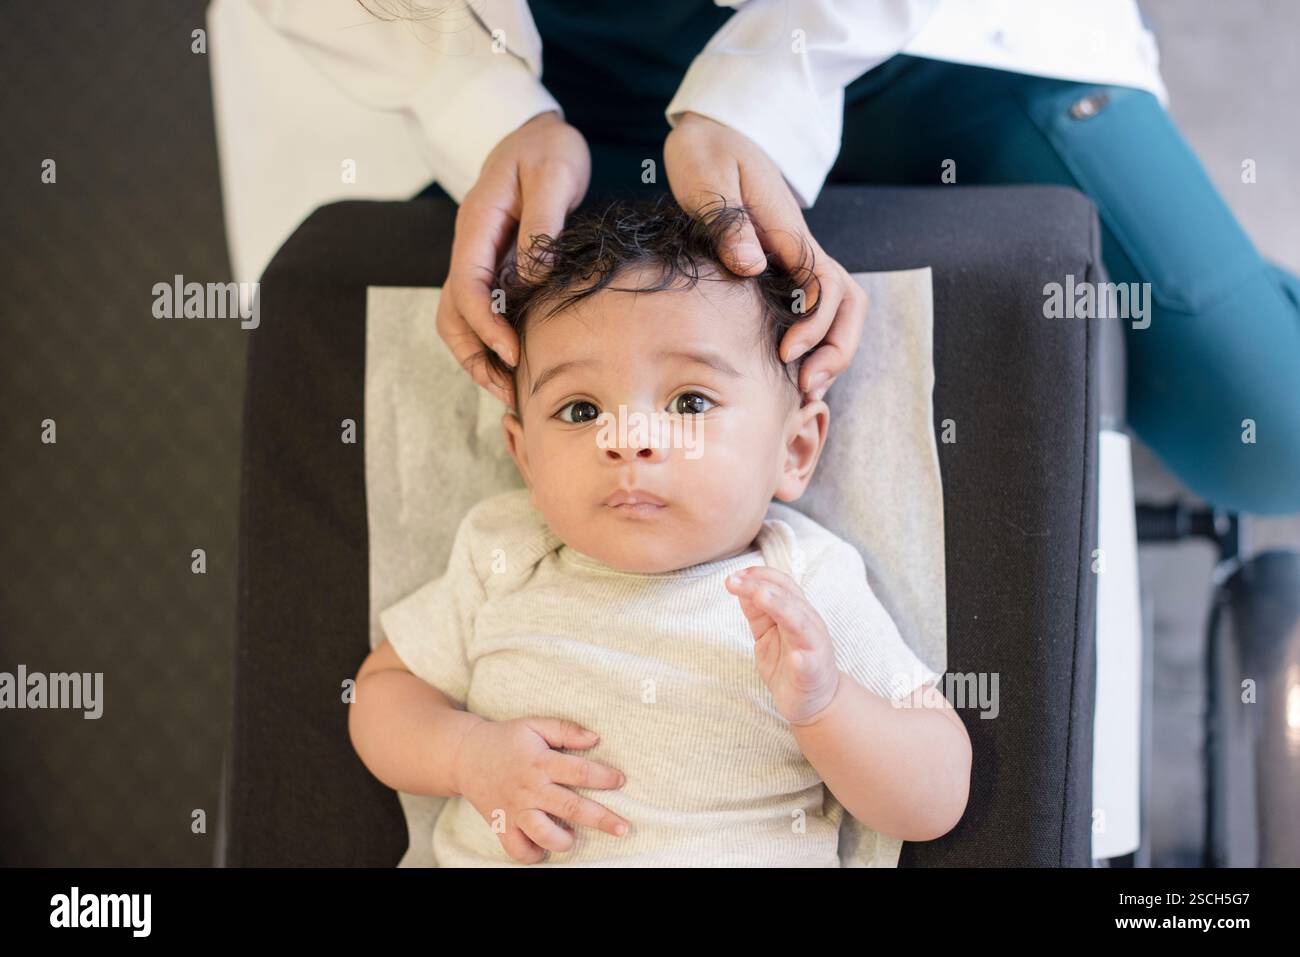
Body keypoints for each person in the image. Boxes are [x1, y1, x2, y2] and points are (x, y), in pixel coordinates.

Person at [208, 0, 1300, 514]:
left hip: (906, 43)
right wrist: (477, 103)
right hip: (513, 63)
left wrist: (760, 99)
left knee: (1272, 436)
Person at [349, 195, 969, 866]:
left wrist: (827, 707)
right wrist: (465, 754)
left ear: (793, 450)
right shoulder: (504, 552)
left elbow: (934, 794)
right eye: (581, 408)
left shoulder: (801, 584)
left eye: (690, 402)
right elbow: (380, 696)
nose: (629, 439)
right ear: (524, 455)